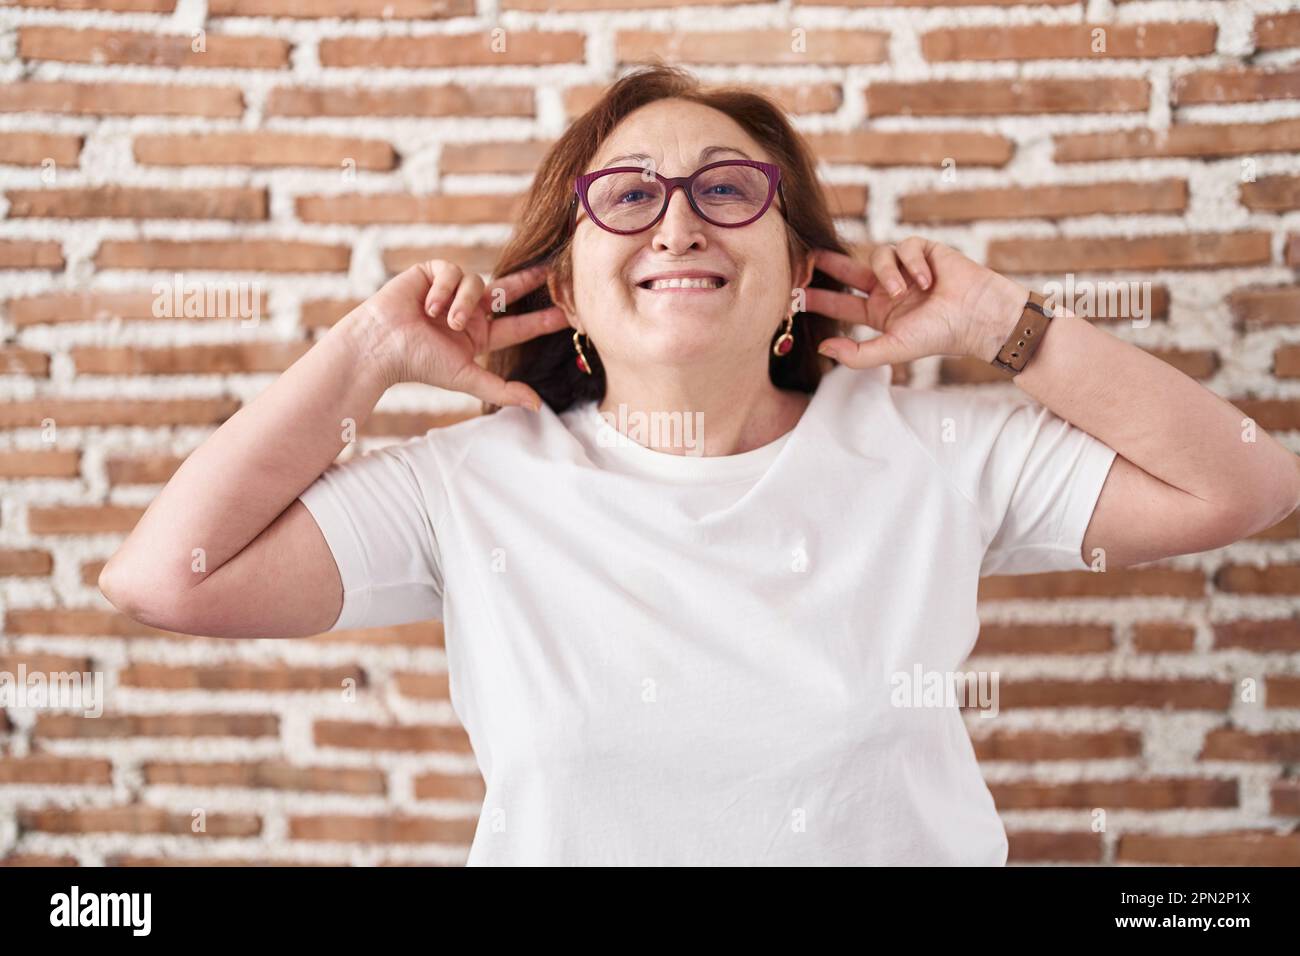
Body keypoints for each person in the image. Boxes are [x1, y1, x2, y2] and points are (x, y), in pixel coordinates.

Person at [99, 64, 1300, 866]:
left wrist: (999, 324)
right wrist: (365, 352)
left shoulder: (929, 450)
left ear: (795, 269)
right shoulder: (468, 483)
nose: (677, 222)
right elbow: (170, 578)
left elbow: (1247, 483)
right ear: (564, 288)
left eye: (726, 190)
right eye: (627, 197)